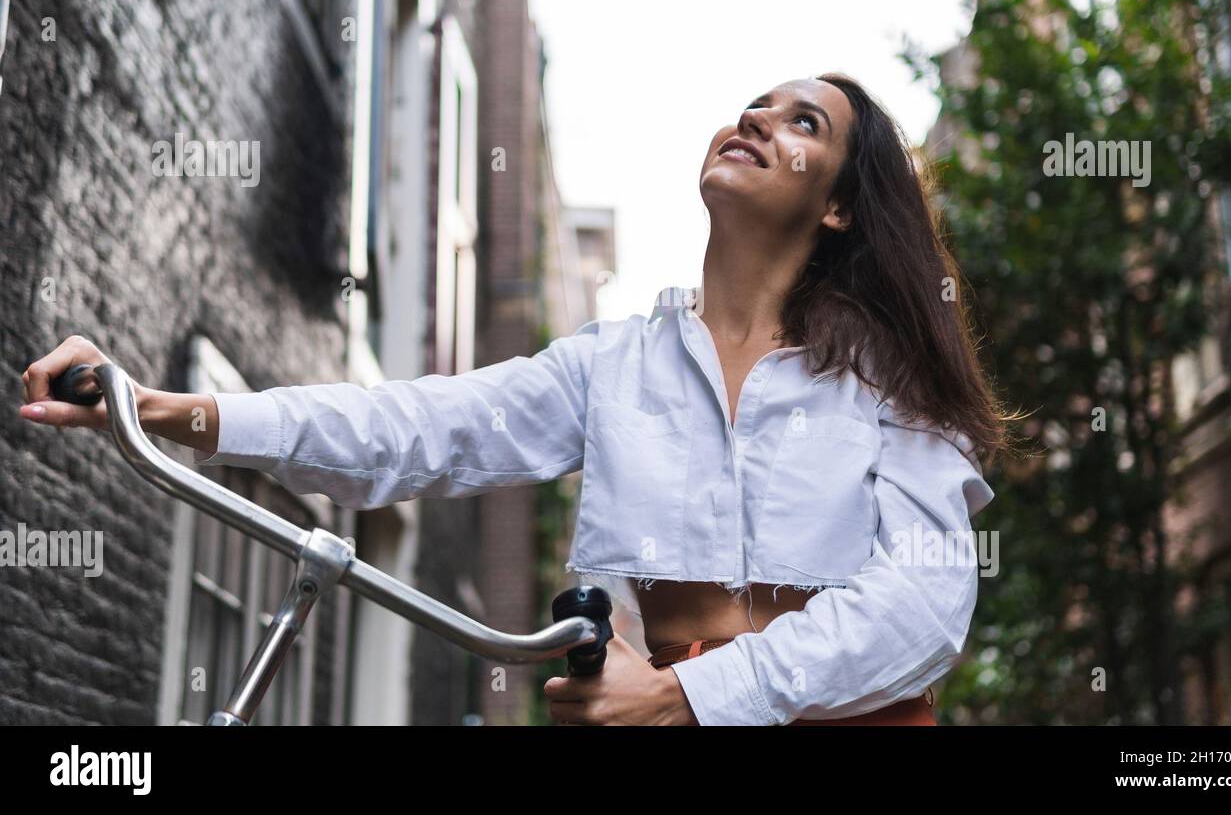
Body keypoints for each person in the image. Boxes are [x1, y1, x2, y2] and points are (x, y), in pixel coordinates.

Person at [20, 73, 1007, 726]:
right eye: (754, 102)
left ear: (837, 203)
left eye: (803, 122)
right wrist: (158, 408)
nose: (755, 118)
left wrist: (684, 693)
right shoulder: (615, 364)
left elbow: (923, 601)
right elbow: (411, 427)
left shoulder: (885, 381)